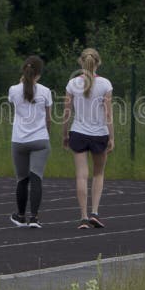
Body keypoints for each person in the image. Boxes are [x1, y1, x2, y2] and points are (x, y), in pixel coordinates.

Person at [62, 48, 114, 229]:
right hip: (99, 133)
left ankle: (83, 217)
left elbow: (67, 112)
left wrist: (65, 134)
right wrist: (112, 137)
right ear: (98, 62)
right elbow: (108, 114)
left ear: (80, 62)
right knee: (98, 173)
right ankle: (95, 212)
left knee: (81, 176)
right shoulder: (105, 84)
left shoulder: (72, 83)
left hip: (78, 132)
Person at [8, 55, 52, 228]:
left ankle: (20, 216)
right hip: (40, 139)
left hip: (19, 140)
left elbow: (16, 99)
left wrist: (21, 82)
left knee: (22, 179)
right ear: (39, 74)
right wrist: (45, 134)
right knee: (36, 178)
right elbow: (48, 119)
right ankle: (34, 217)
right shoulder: (46, 91)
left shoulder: (13, 90)